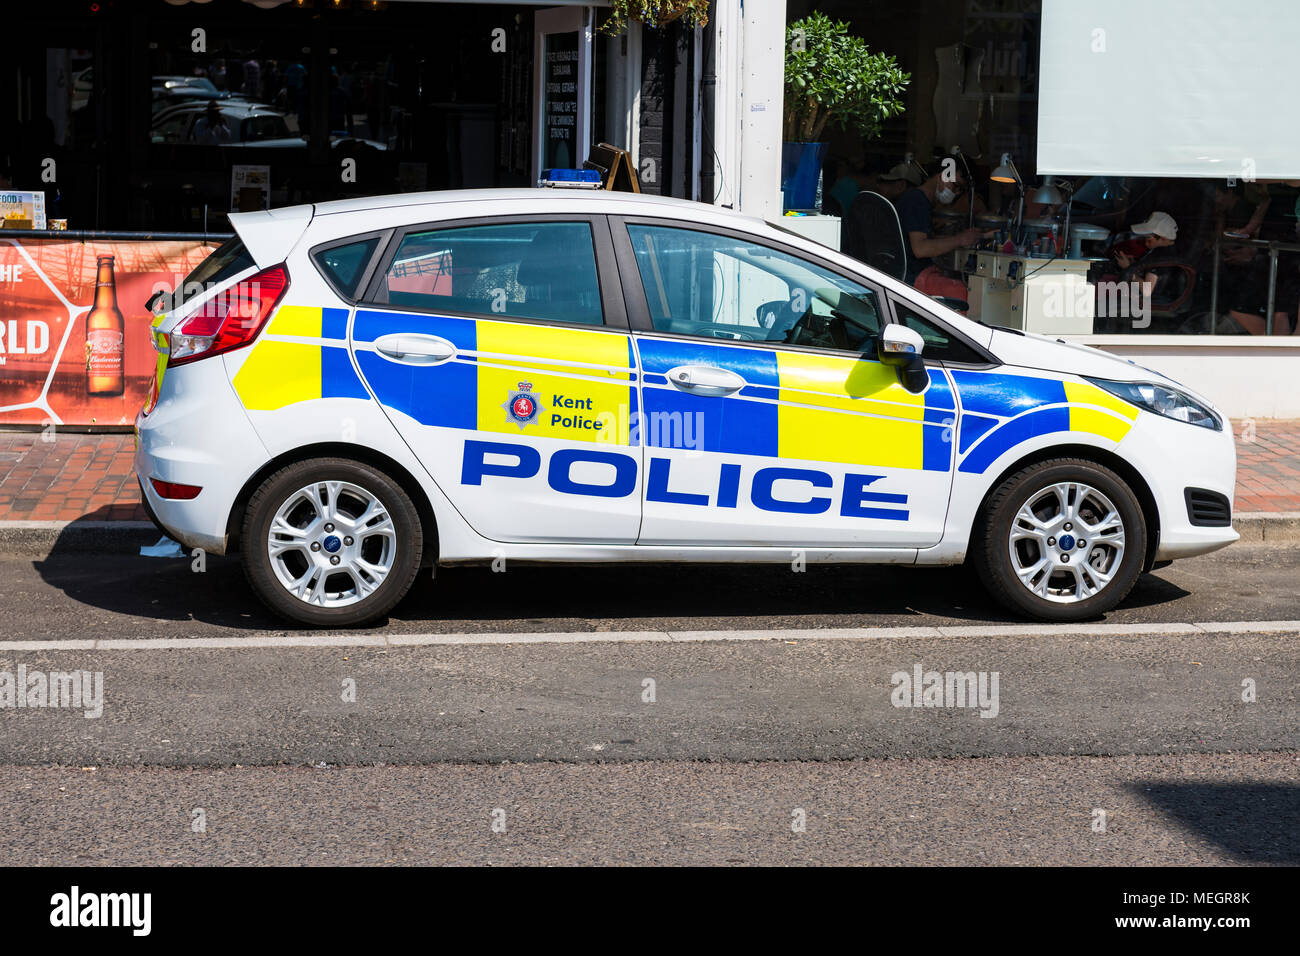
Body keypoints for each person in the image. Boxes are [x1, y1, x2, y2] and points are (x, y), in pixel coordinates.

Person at [894, 164, 984, 285]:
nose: (956, 192)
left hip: (910, 274)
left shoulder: (919, 200)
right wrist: (960, 239)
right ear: (943, 176)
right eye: (955, 186)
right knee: (963, 290)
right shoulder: (916, 201)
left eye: (960, 190)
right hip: (910, 278)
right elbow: (920, 249)